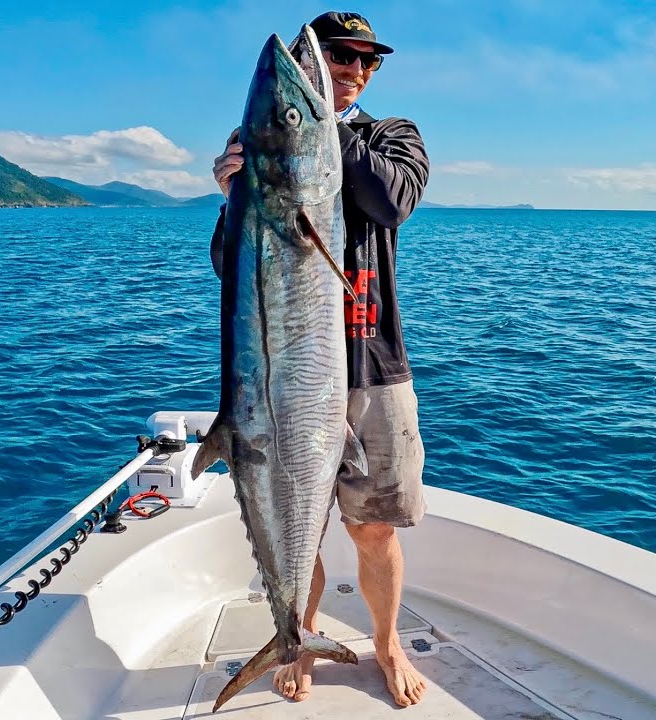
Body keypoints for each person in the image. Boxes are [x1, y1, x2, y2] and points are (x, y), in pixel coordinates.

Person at [208, 10, 431, 709]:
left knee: (372, 527)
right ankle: (296, 633)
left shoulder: (391, 137)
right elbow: (229, 266)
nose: (352, 69)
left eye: (367, 61)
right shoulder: (263, 149)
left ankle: (386, 642)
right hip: (281, 375)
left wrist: (312, 133)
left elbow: (390, 202)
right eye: (337, 55)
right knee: (294, 511)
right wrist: (234, 197)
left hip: (372, 366)